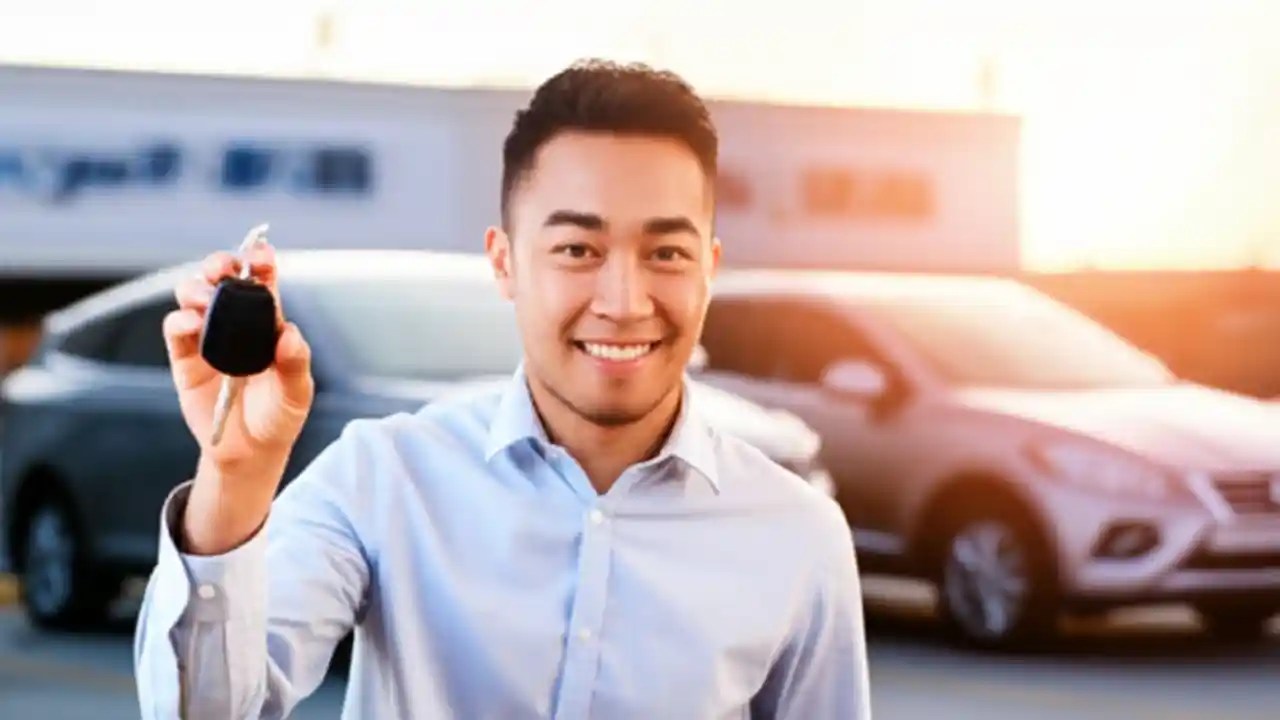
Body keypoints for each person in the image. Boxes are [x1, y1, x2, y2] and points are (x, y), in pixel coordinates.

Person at [133, 58, 871, 719]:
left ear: (710, 267)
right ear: (505, 262)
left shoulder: (799, 534)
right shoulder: (384, 479)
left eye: (666, 253)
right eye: (577, 249)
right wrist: (233, 476)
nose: (623, 298)